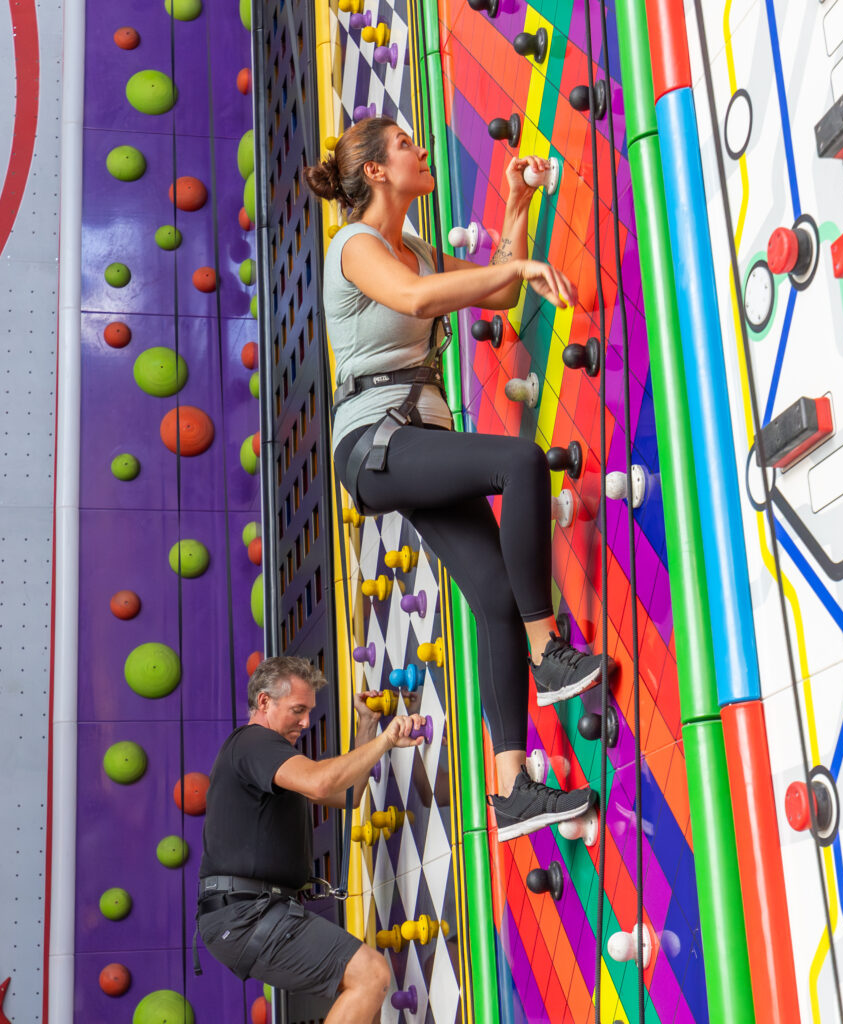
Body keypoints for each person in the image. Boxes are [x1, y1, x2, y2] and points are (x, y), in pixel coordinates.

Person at [303, 116, 604, 841]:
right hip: (378, 445)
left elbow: (496, 294)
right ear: (376, 172)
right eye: (408, 145)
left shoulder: (412, 249)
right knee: (520, 460)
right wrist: (517, 269)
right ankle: (547, 651)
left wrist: (516, 205)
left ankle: (511, 792)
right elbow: (414, 301)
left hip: (411, 441)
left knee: (495, 594)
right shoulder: (356, 247)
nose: (424, 150)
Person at [196, 656, 424, 1023]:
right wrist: (386, 740)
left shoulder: (264, 753)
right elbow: (320, 782)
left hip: (247, 915)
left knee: (364, 992)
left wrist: (367, 726)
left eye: (308, 711)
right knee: (372, 975)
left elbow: (344, 796)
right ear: (264, 703)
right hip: (245, 915)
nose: (305, 722)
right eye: (297, 710)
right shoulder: (255, 742)